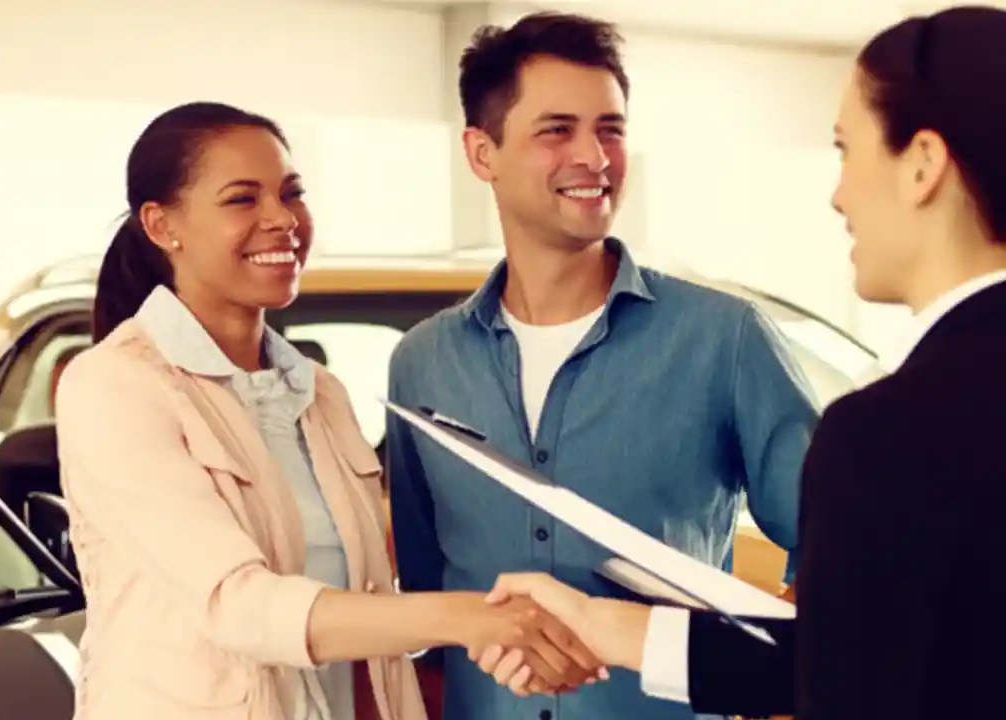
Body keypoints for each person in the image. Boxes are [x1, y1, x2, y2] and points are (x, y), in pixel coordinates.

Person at [478, 6, 1006, 719]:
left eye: (846, 149)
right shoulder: (425, 360)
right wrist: (606, 626)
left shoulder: (888, 436)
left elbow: (851, 678)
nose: (837, 193)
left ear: (922, 165)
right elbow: (860, 649)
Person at [54, 101, 601, 720]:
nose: (281, 219)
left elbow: (365, 604)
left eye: (292, 193)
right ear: (161, 224)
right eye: (242, 199)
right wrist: (468, 617)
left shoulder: (317, 392)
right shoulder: (114, 387)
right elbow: (236, 606)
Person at [385, 11, 819, 720]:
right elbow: (430, 595)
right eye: (556, 130)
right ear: (481, 152)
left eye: (610, 128)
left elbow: (832, 541)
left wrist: (765, 673)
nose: (595, 155)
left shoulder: (725, 339)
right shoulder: (423, 364)